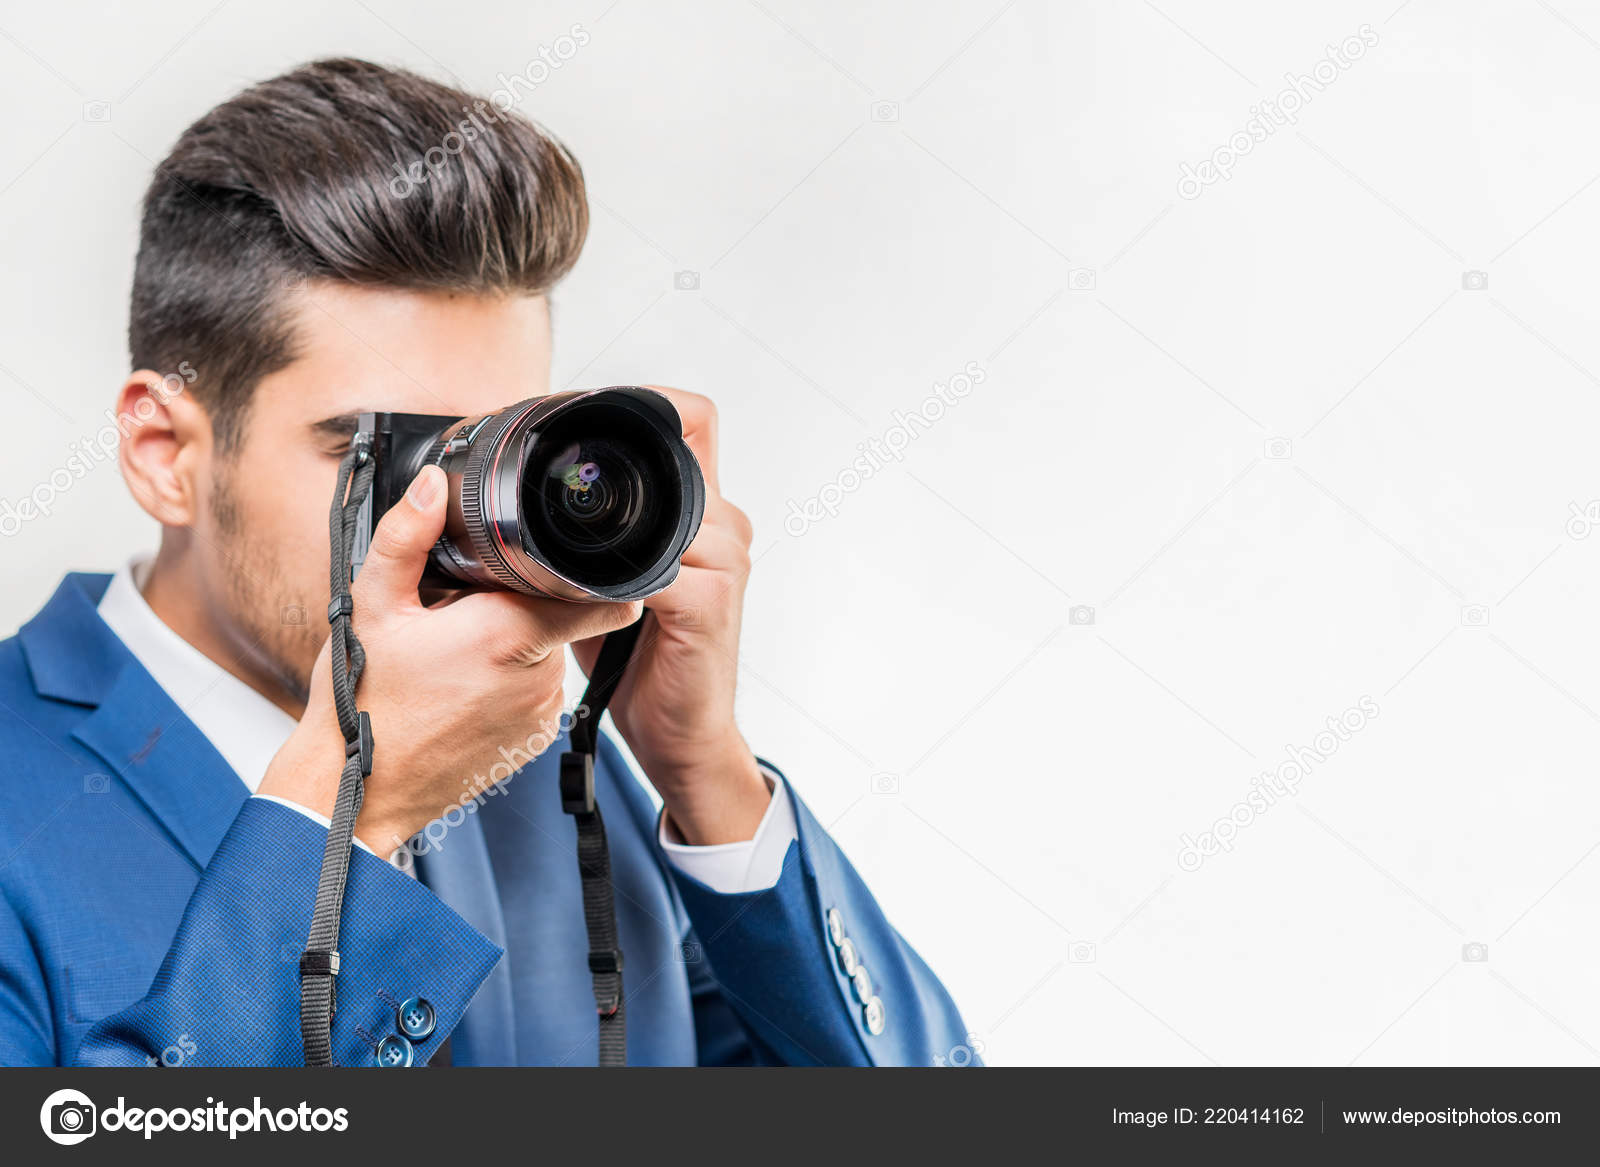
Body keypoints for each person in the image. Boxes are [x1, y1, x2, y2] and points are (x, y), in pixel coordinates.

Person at [0, 58, 971, 1067]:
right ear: (166, 454)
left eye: (486, 455)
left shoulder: (551, 783)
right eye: (378, 455)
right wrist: (353, 813)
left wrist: (706, 775)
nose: (449, 525)